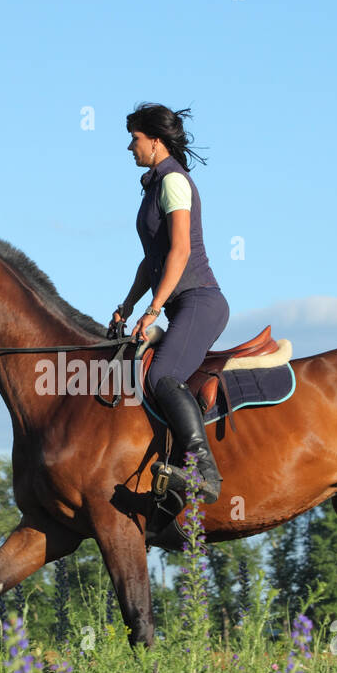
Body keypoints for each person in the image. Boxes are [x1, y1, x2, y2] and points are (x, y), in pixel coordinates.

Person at [111, 103, 230, 504]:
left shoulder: (174, 181)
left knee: (162, 375)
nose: (130, 147)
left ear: (155, 141)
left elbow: (178, 252)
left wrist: (152, 309)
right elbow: (153, 259)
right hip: (181, 305)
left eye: (135, 139)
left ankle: (204, 474)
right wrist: (127, 304)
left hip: (200, 302)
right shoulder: (154, 185)